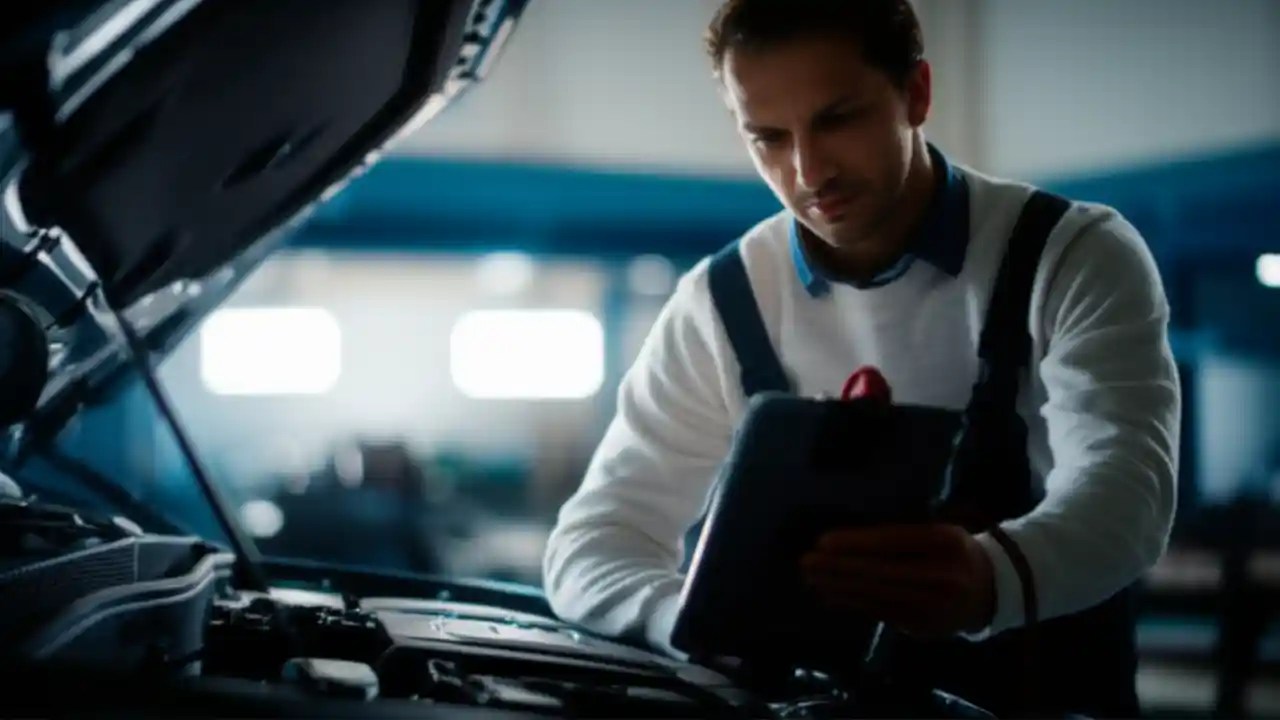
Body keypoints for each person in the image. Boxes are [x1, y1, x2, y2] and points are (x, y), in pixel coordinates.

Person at [543, 0, 1179, 715]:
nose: (808, 170)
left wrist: (989, 578)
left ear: (917, 93)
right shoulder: (722, 301)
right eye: (768, 137)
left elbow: (1128, 495)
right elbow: (591, 546)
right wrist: (693, 626)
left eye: (838, 119)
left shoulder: (1072, 255)